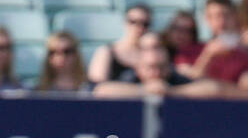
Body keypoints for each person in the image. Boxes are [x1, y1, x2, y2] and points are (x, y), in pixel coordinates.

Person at [95, 31, 231, 99]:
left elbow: (214, 88)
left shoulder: (175, 77)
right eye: (150, 68)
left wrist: (171, 91)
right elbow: (101, 90)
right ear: (139, 67)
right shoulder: (130, 77)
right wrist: (145, 90)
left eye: (160, 67)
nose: (156, 73)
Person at [180, 0, 248, 97]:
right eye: (215, 16)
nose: (221, 22)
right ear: (207, 19)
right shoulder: (189, 51)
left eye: (226, 15)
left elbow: (246, 94)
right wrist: (207, 56)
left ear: (235, 17)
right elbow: (185, 84)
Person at [88, 4, 151, 84]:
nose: (139, 27)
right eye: (133, 22)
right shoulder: (106, 51)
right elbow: (97, 86)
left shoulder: (153, 53)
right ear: (125, 22)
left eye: (145, 24)